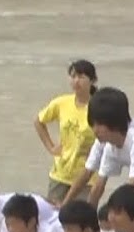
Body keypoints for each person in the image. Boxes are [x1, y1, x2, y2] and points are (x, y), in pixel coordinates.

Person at [34, 59, 98, 204]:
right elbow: (39, 121)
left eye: (81, 77)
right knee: (53, 214)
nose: (76, 81)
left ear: (92, 80)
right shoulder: (61, 103)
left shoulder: (98, 106)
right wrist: (51, 147)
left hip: (87, 177)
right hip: (60, 173)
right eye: (73, 76)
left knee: (80, 215)